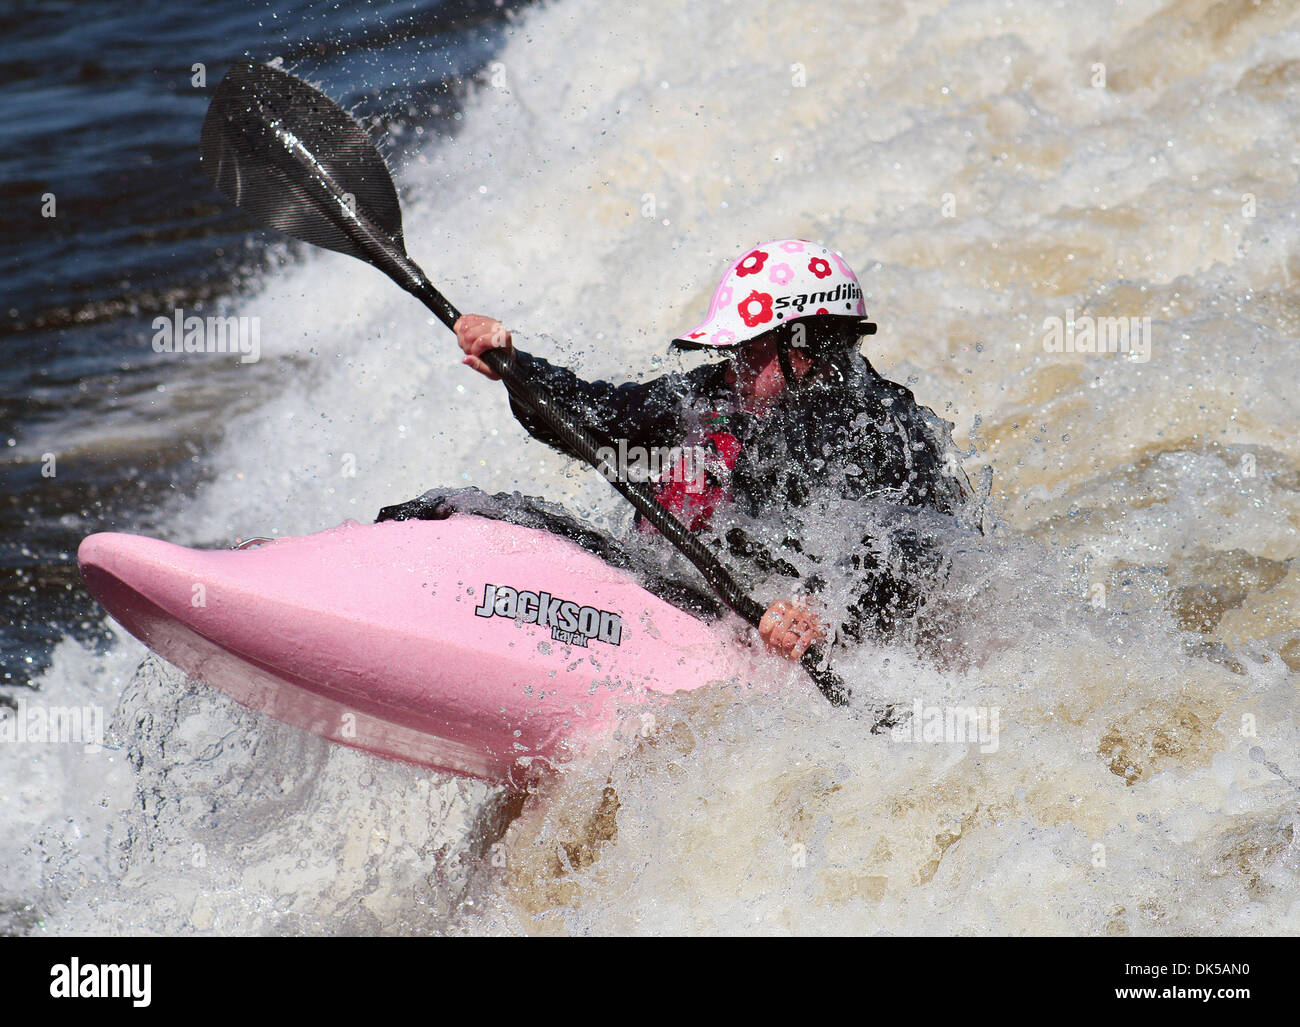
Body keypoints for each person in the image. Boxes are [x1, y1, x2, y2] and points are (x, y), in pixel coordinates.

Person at [452, 240, 974, 663]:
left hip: (817, 648)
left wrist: (820, 606)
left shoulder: (880, 428)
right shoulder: (712, 396)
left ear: (806, 346)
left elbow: (921, 543)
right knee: (495, 514)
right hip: (695, 604)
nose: (733, 367)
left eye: (748, 350)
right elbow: (598, 419)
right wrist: (518, 368)